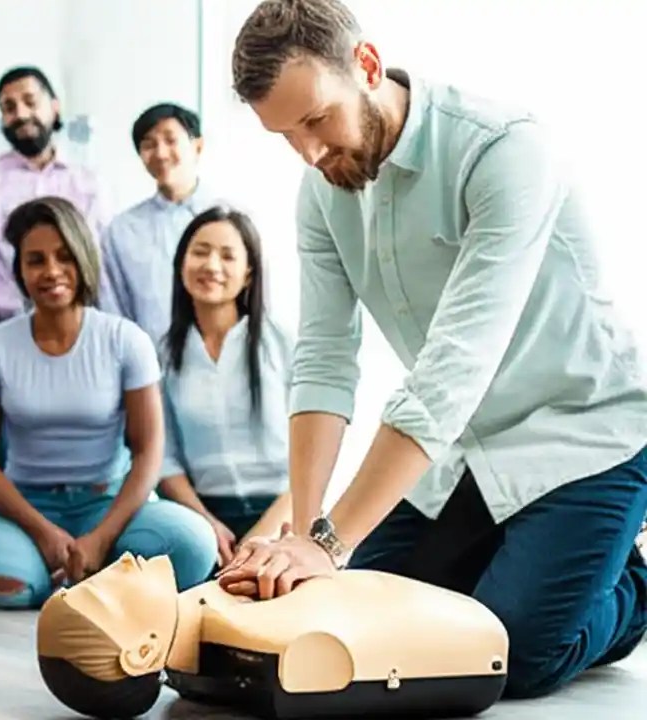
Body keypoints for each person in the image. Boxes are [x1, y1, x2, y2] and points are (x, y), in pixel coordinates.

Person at [218, 0, 647, 700]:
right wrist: (304, 532)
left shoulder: (504, 149)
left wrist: (328, 545)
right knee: (375, 623)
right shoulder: (321, 191)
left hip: (584, 435)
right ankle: (562, 566)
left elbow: (454, 366)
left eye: (317, 119)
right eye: (286, 135)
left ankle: (634, 584)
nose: (310, 153)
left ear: (365, 64)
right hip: (462, 450)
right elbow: (325, 357)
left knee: (507, 655)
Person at [0, 196, 216, 610]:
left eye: (64, 257)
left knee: (194, 546)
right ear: (20, 270)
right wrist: (45, 533)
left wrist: (100, 539)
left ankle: (81, 575)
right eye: (35, 260)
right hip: (27, 508)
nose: (51, 271)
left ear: (83, 260)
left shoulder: (125, 340)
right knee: (3, 585)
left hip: (110, 505)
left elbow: (149, 450)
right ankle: (93, 581)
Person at [157, 207, 293, 565]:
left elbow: (318, 448)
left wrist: (262, 535)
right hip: (203, 518)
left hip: (284, 512)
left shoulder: (281, 342)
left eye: (228, 255)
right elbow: (164, 458)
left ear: (248, 273)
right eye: (200, 252)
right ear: (181, 262)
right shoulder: (162, 355)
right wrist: (205, 523)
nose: (212, 266)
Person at [0, 66, 110, 369]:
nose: (21, 114)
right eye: (8, 108)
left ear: (54, 106)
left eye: (29, 101)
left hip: (79, 331)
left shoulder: (88, 182)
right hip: (4, 331)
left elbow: (101, 263)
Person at [101, 103, 221, 345]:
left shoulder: (229, 220)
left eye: (170, 140)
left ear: (198, 146)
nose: (160, 153)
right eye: (148, 144)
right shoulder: (123, 230)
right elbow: (113, 312)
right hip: (150, 370)